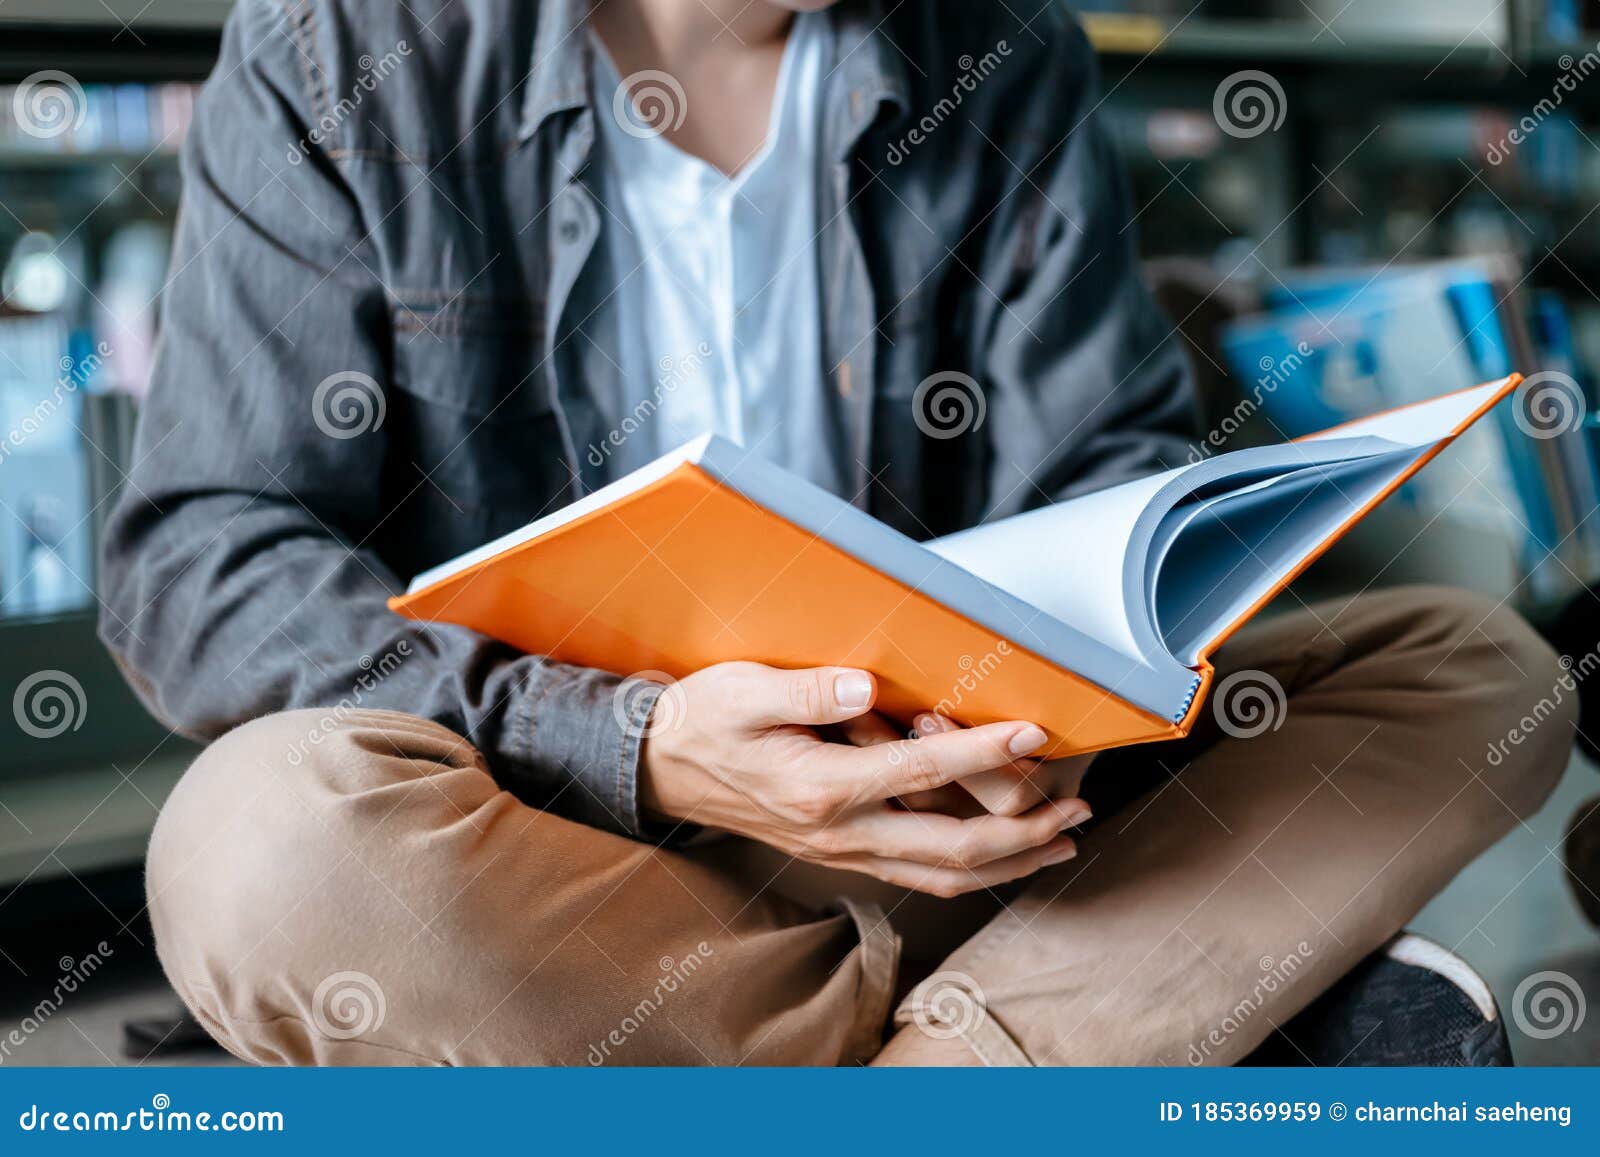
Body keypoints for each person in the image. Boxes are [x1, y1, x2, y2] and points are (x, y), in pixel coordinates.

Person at [102, 0, 1573, 1066]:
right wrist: (639, 738)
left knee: (1478, 667)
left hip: (972, 816)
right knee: (260, 848)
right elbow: (198, 564)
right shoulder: (345, 53)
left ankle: (874, 1065)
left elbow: (1104, 465)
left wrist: (1069, 695)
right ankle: (1075, 1032)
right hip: (565, 852)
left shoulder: (1005, 54)